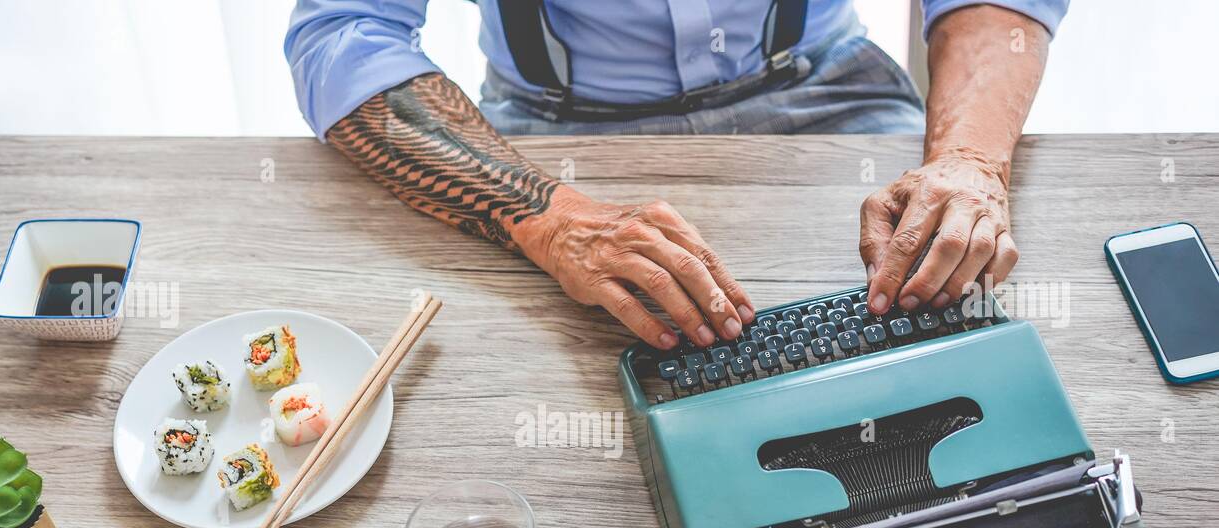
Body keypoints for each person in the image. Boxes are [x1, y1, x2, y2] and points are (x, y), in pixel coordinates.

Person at [286, 1, 1067, 349]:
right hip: (554, 133)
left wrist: (969, 161)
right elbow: (344, 35)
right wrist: (549, 218)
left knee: (965, 329)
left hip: (824, 87)